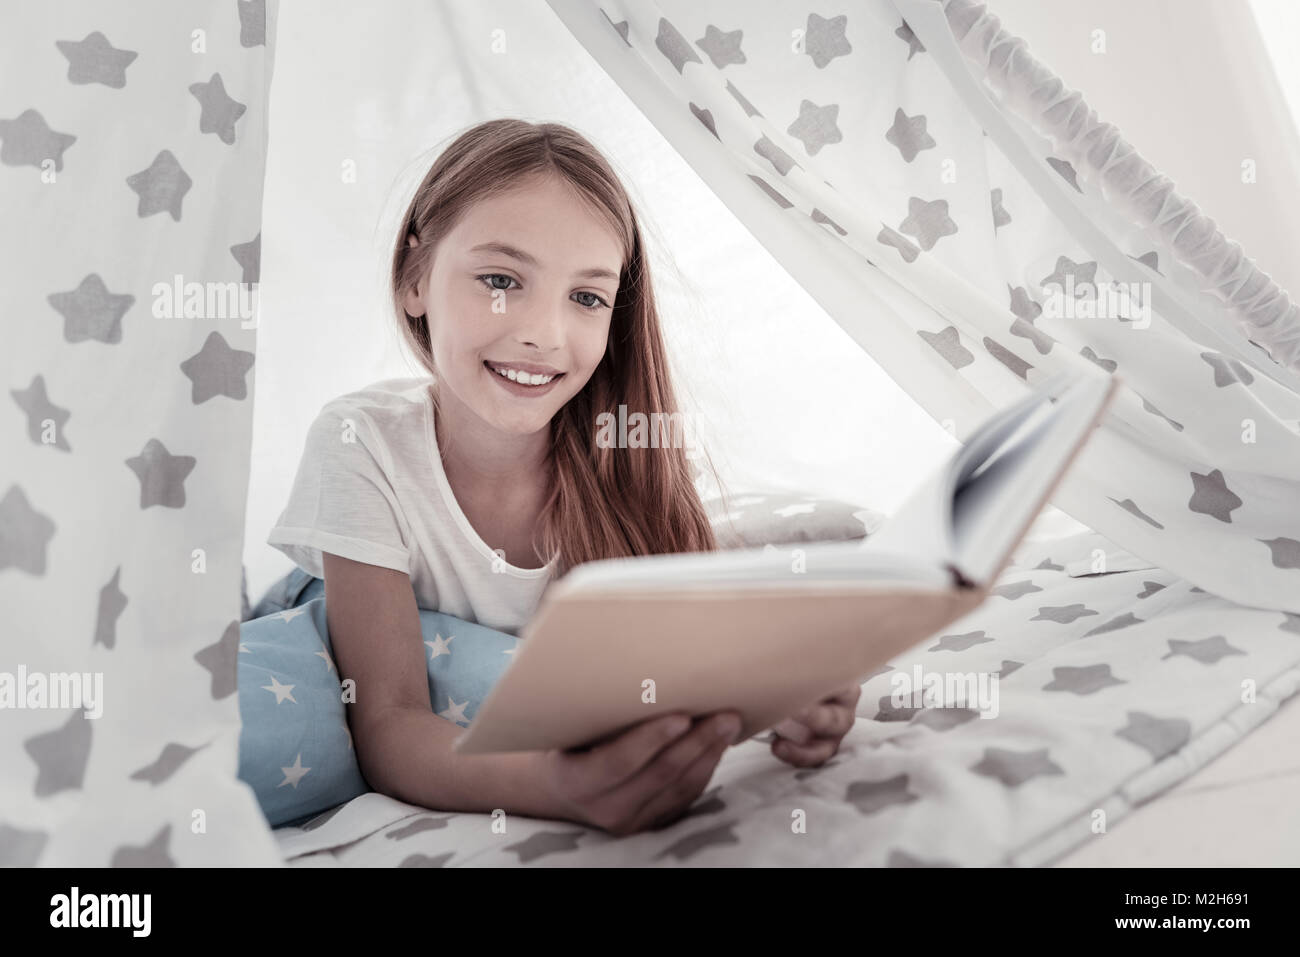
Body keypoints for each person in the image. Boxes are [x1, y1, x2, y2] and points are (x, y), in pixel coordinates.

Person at [266, 119, 859, 836]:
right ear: (415, 276)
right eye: (500, 280)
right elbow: (388, 723)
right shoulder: (360, 442)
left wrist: (785, 692)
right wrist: (553, 784)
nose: (545, 334)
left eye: (586, 298)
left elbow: (690, 656)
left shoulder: (627, 457)